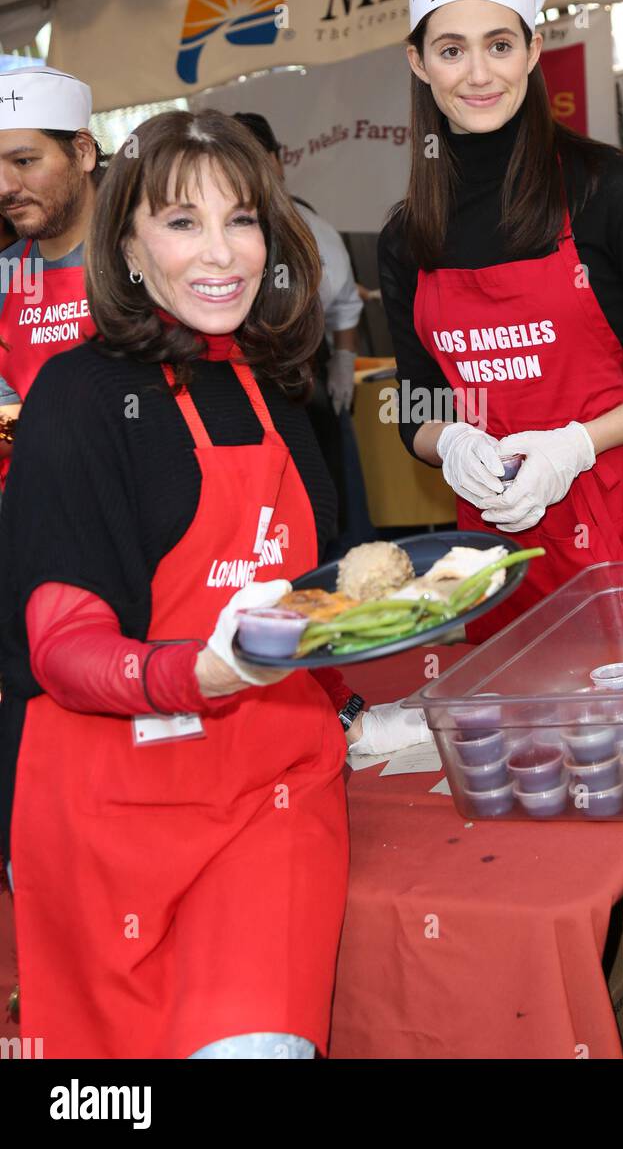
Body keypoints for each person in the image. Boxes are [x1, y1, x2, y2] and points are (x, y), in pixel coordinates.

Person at [0, 109, 422, 1060]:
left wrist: (352, 703)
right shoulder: (76, 397)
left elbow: (301, 591)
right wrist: (205, 672)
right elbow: (62, 648)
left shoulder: (278, 384)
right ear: (128, 246)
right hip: (111, 815)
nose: (221, 253)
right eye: (182, 222)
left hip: (270, 796)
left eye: (241, 220)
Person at [377, 0, 623, 638]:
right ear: (418, 62)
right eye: (451, 50)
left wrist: (574, 447)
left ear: (533, 51)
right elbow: (418, 402)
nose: (479, 74)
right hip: (498, 547)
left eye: (500, 45)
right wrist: (452, 443)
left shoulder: (609, 190)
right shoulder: (407, 237)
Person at [233, 111, 375, 552]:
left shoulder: (309, 226)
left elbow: (345, 303)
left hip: (309, 384)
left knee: (328, 501)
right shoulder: (218, 236)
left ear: (277, 161)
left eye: (257, 158)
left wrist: (344, 361)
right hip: (240, 386)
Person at [0, 67, 101, 478]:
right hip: (33, 503)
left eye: (24, 161)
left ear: (83, 151)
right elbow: (7, 414)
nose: (4, 186)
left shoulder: (147, 259)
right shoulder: (6, 275)